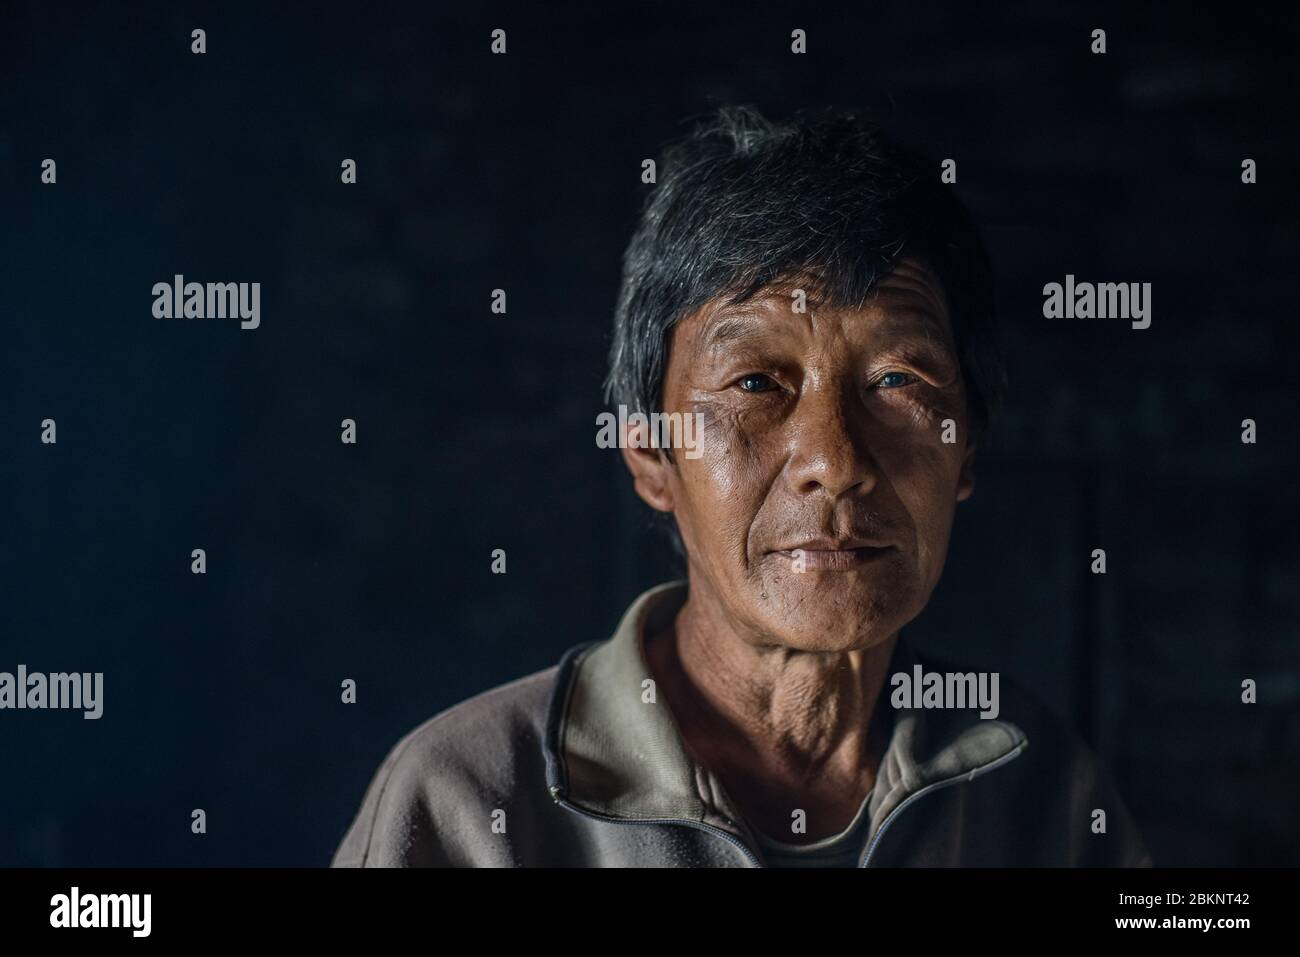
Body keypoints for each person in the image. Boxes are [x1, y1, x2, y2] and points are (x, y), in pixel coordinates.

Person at [331, 105, 1151, 867]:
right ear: (651, 454)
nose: (833, 458)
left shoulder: (1044, 797)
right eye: (756, 383)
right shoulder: (467, 806)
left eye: (898, 379)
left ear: (965, 450)